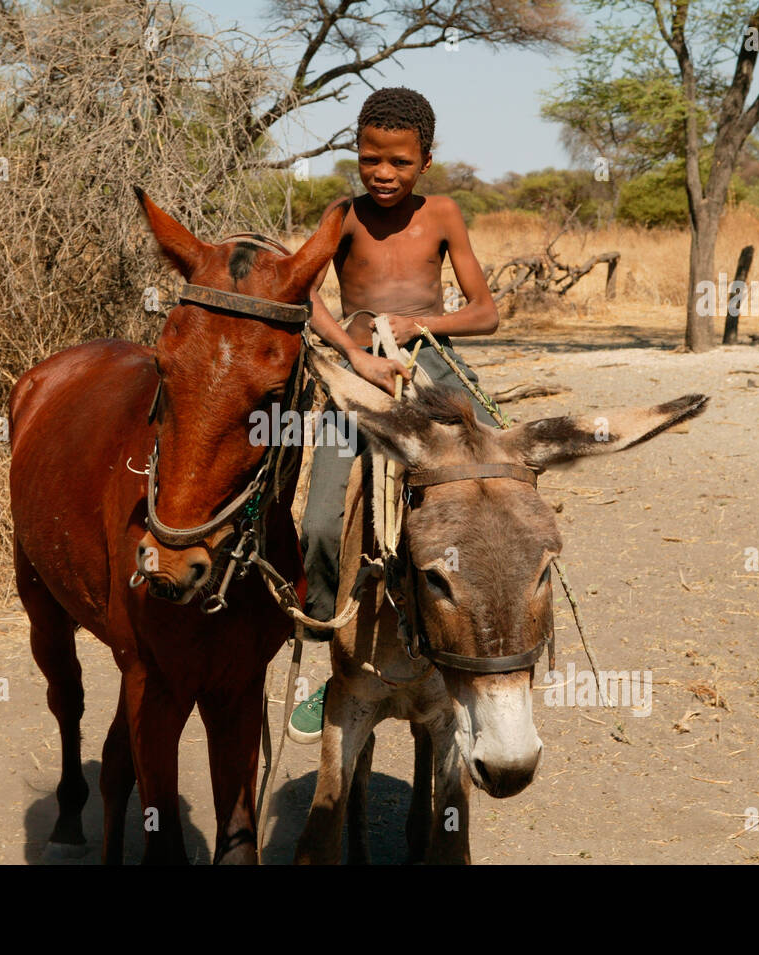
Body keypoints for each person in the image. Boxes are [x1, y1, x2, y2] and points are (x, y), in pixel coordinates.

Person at [289, 86, 501, 743]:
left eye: (399, 163)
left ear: (426, 161)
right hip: (357, 376)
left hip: (432, 366)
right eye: (370, 158)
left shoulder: (442, 215)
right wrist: (354, 353)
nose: (383, 173)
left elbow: (485, 311)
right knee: (322, 521)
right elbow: (303, 291)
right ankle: (328, 643)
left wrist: (420, 323)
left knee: (476, 501)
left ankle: (475, 644)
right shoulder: (342, 214)